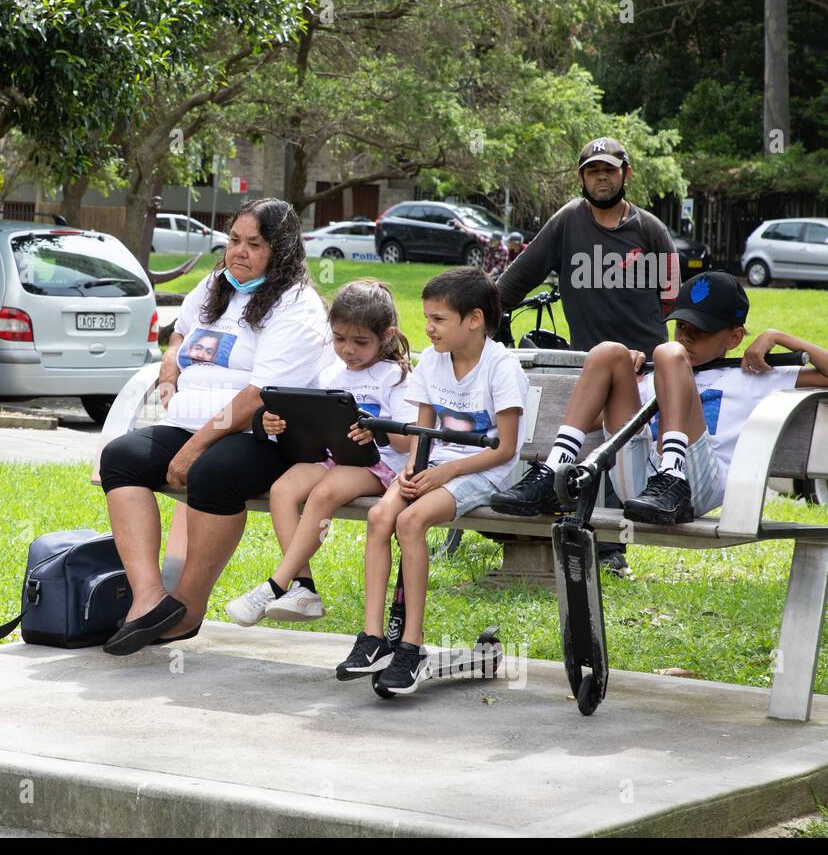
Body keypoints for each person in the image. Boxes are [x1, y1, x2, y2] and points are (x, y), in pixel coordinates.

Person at [97, 197, 329, 654]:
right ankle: (149, 596)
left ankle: (188, 604)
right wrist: (169, 361)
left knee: (213, 473)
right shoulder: (214, 286)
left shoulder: (297, 306)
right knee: (119, 459)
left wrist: (194, 447)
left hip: (264, 433)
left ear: (280, 252)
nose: (239, 252)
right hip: (189, 422)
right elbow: (181, 332)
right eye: (234, 241)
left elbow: (257, 393)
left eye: (254, 245)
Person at [489, 272, 828, 524]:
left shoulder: (755, 376)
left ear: (735, 337)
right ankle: (553, 471)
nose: (687, 338)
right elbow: (594, 424)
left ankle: (673, 473)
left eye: (701, 331)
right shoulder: (658, 371)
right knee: (609, 352)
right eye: (682, 327)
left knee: (667, 354)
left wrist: (779, 336)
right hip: (643, 486)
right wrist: (625, 381)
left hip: (696, 485)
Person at [496, 136, 679, 577]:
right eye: (592, 170)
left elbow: (671, 299)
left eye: (609, 170)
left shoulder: (649, 230)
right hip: (587, 363)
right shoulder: (567, 224)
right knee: (582, 434)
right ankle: (565, 526)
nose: (601, 177)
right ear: (582, 177)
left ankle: (612, 549)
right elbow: (515, 280)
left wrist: (645, 346)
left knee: (621, 445)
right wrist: (483, 313)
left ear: (625, 175)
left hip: (644, 365)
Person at [339, 267, 527, 693]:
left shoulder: (501, 366)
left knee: (410, 521)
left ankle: (410, 645)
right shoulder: (432, 362)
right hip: (435, 465)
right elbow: (419, 436)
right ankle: (372, 639)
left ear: (474, 319)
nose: (428, 328)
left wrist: (443, 472)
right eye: (427, 318)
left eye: (438, 319)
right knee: (380, 517)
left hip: (482, 470)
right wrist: (412, 470)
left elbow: (505, 449)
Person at [225, 279, 414, 625]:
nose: (348, 349)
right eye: (339, 339)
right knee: (284, 489)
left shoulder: (394, 376)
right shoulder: (329, 373)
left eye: (360, 342)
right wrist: (272, 421)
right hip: (332, 456)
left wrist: (376, 427)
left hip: (379, 466)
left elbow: (409, 440)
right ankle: (305, 587)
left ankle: (276, 583)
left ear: (386, 336)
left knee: (324, 492)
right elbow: (308, 416)